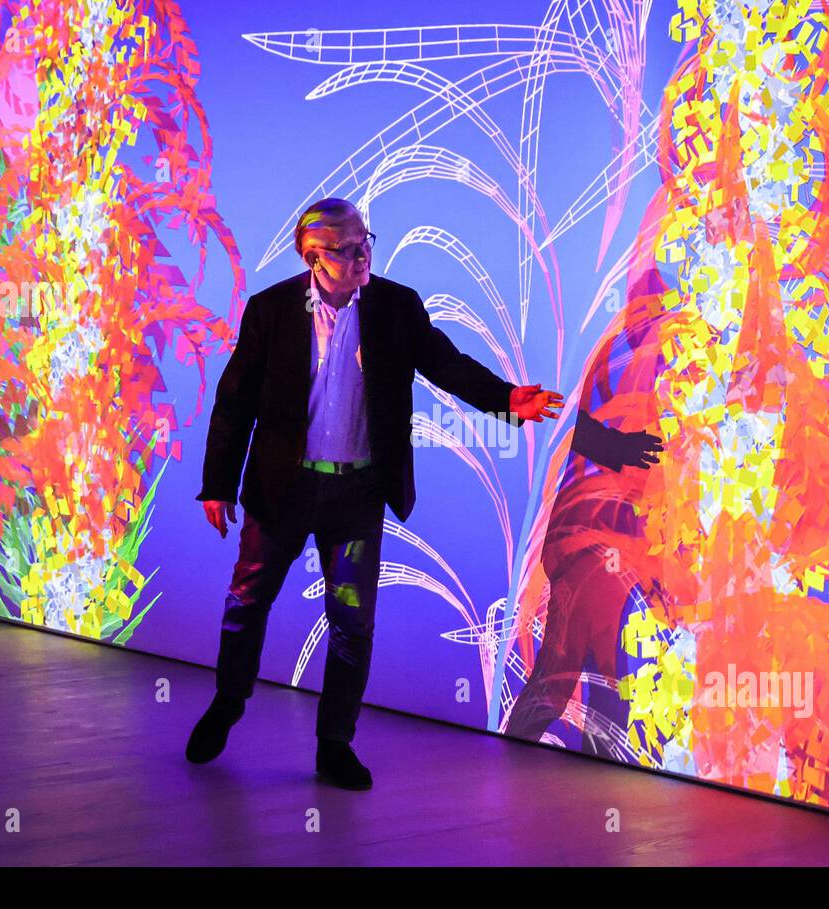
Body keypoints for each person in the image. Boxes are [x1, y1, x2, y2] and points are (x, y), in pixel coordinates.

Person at [186, 197, 564, 788]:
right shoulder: (270, 311)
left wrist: (506, 398)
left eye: (367, 242)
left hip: (356, 495)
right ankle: (228, 702)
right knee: (246, 603)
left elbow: (446, 364)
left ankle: (334, 744)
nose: (363, 254)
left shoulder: (395, 306)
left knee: (353, 623)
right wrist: (217, 484)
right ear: (315, 255)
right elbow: (234, 402)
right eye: (347, 247)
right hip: (280, 489)